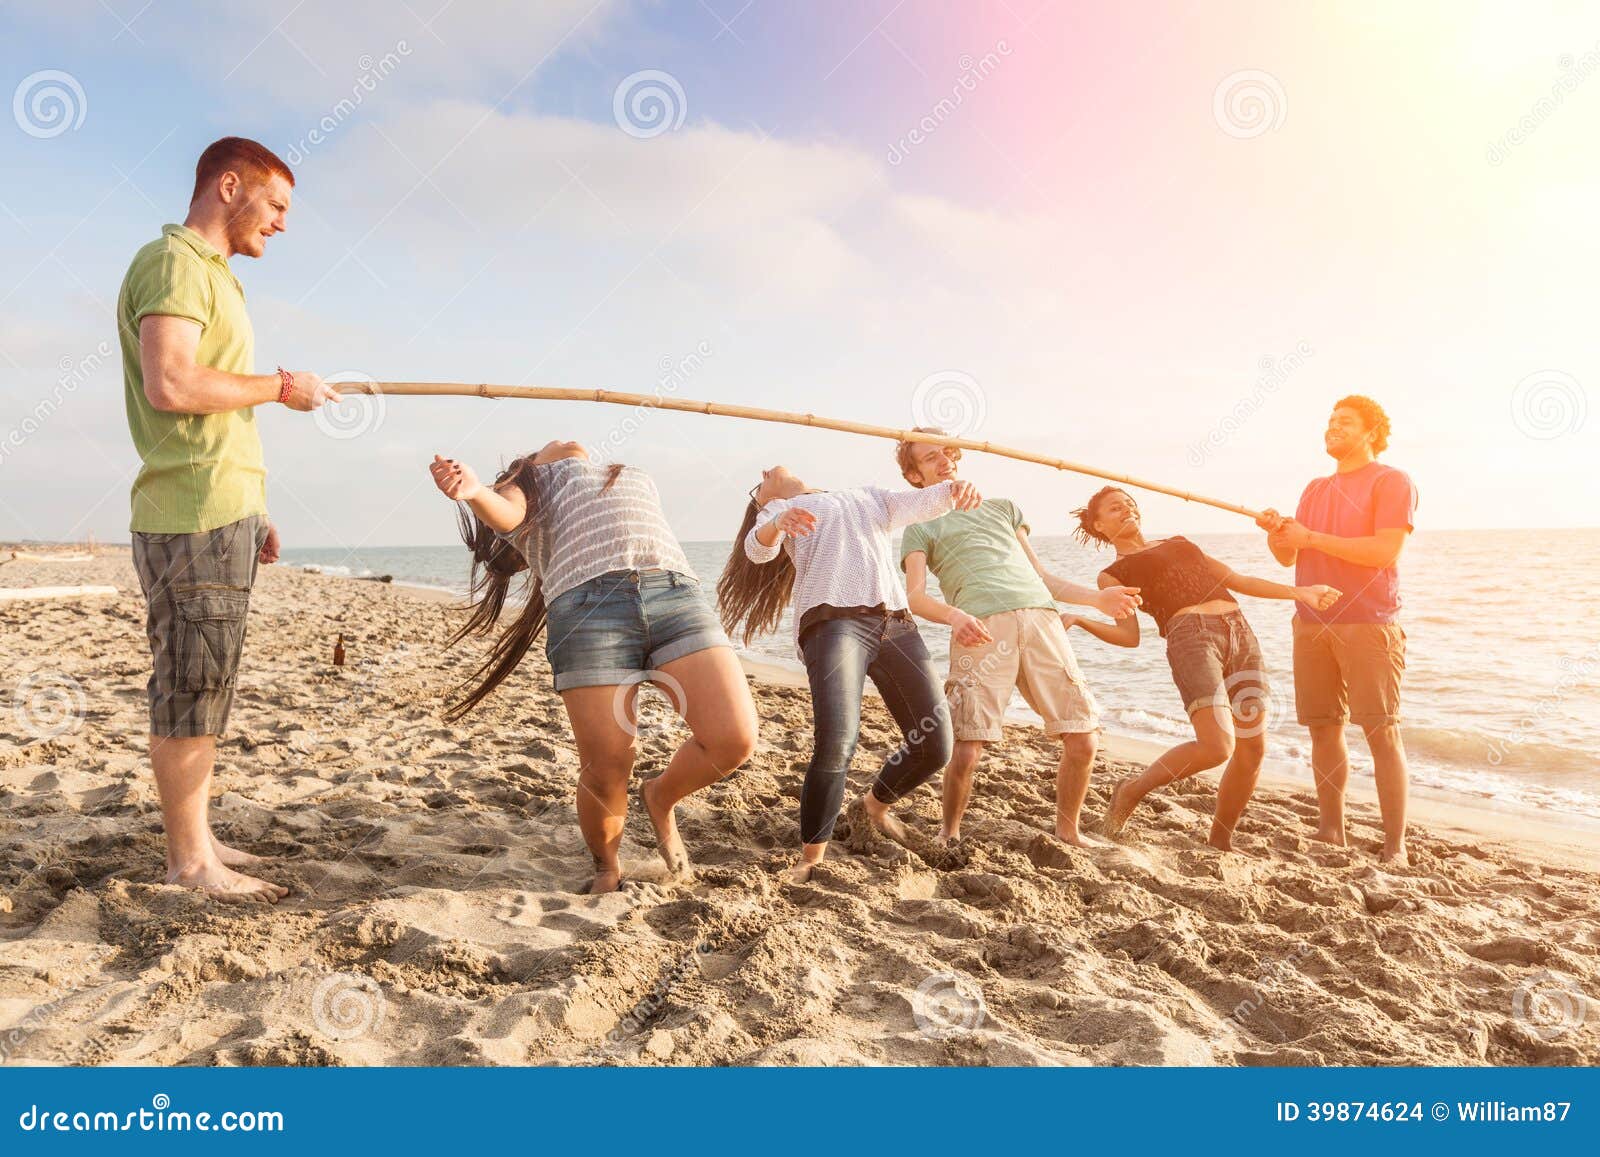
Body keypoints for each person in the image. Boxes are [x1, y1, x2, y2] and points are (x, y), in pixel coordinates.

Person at [120, 137, 339, 904]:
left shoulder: (214, 276)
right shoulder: (177, 263)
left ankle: (200, 835)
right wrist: (283, 385)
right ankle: (189, 863)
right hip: (191, 511)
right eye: (276, 205)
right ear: (229, 185)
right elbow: (172, 383)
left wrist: (257, 507)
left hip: (223, 507)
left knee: (207, 681)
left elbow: (216, 411)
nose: (280, 224)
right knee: (189, 681)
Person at [431, 442, 757, 894]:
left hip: (675, 594)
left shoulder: (632, 471)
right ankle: (607, 867)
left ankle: (661, 795)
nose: (556, 441)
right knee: (607, 766)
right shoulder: (526, 482)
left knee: (734, 738)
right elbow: (506, 515)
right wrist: (473, 490)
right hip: (588, 610)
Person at [718, 466, 980, 883]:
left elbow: (923, 502)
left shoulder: (869, 496)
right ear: (765, 499)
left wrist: (953, 489)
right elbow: (758, 548)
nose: (766, 472)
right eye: (759, 482)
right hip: (833, 625)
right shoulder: (783, 508)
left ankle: (872, 807)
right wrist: (776, 524)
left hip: (896, 624)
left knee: (936, 743)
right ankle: (811, 858)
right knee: (838, 739)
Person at [895, 431, 1140, 848]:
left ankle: (1068, 832)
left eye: (947, 454)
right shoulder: (919, 526)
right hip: (982, 628)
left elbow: (1043, 578)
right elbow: (915, 597)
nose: (944, 462)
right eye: (930, 458)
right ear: (914, 475)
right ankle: (949, 833)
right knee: (969, 748)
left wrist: (1097, 598)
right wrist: (956, 617)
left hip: (1042, 620)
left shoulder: (1003, 508)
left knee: (1083, 737)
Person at [1068, 487, 1341, 850]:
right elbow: (1129, 636)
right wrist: (1081, 620)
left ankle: (1220, 841)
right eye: (1115, 508)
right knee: (1217, 747)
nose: (1127, 510)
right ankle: (1131, 790)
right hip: (1191, 640)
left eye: (1130, 504)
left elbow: (1239, 581)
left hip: (1240, 633)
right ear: (1100, 525)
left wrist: (1302, 593)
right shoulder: (1113, 574)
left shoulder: (1181, 543)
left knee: (1253, 747)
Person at [1255, 396, 1418, 864]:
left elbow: (1385, 551)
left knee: (1381, 731)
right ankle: (1331, 832)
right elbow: (1289, 557)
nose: (1333, 428)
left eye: (1344, 422)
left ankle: (1395, 847)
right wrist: (1276, 531)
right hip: (1310, 623)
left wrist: (1309, 538)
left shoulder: (1392, 481)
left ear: (1372, 431)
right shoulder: (1313, 489)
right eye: (1329, 421)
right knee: (1324, 731)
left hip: (1368, 622)